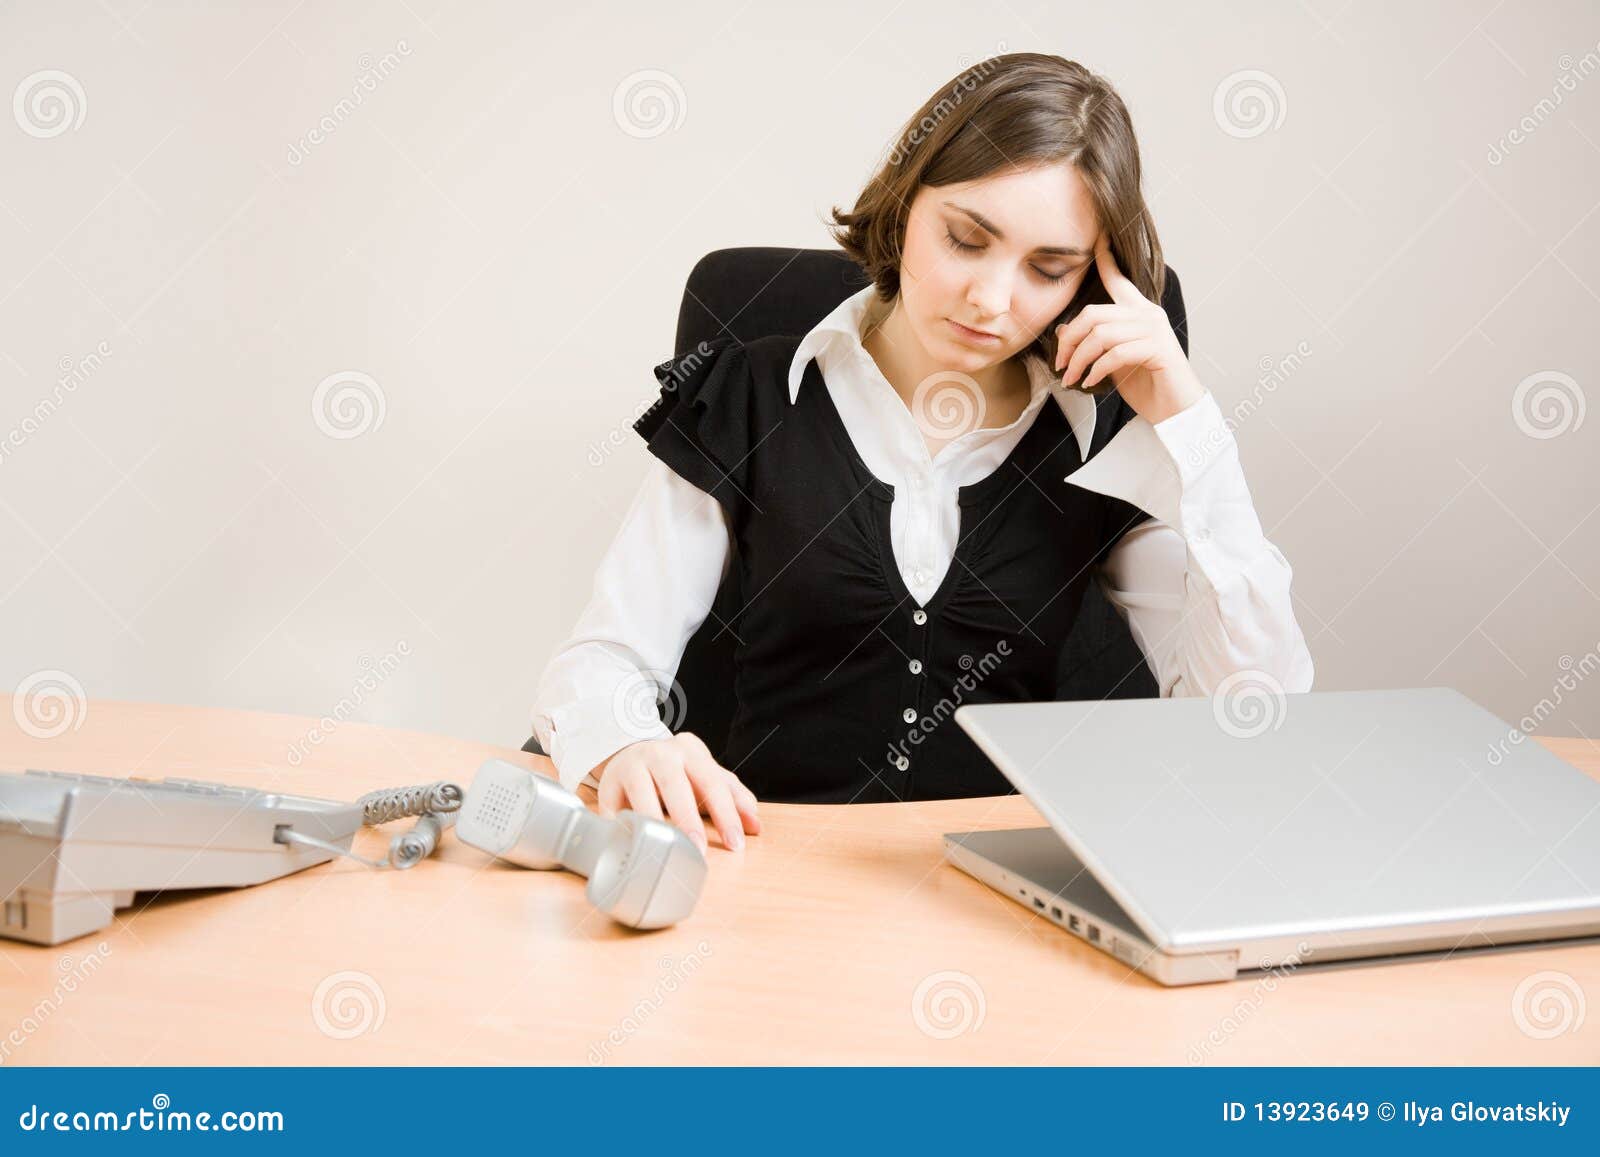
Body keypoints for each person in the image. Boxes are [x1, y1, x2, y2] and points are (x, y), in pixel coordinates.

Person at [532, 52, 1314, 855]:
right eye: (967, 239)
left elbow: (1247, 721)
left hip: (1001, 896)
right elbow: (600, 661)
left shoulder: (1103, 440)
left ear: (1090, 281)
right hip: (770, 876)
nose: (992, 300)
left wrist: (1192, 426)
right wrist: (630, 741)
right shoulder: (751, 397)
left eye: (1048, 269)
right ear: (907, 205)